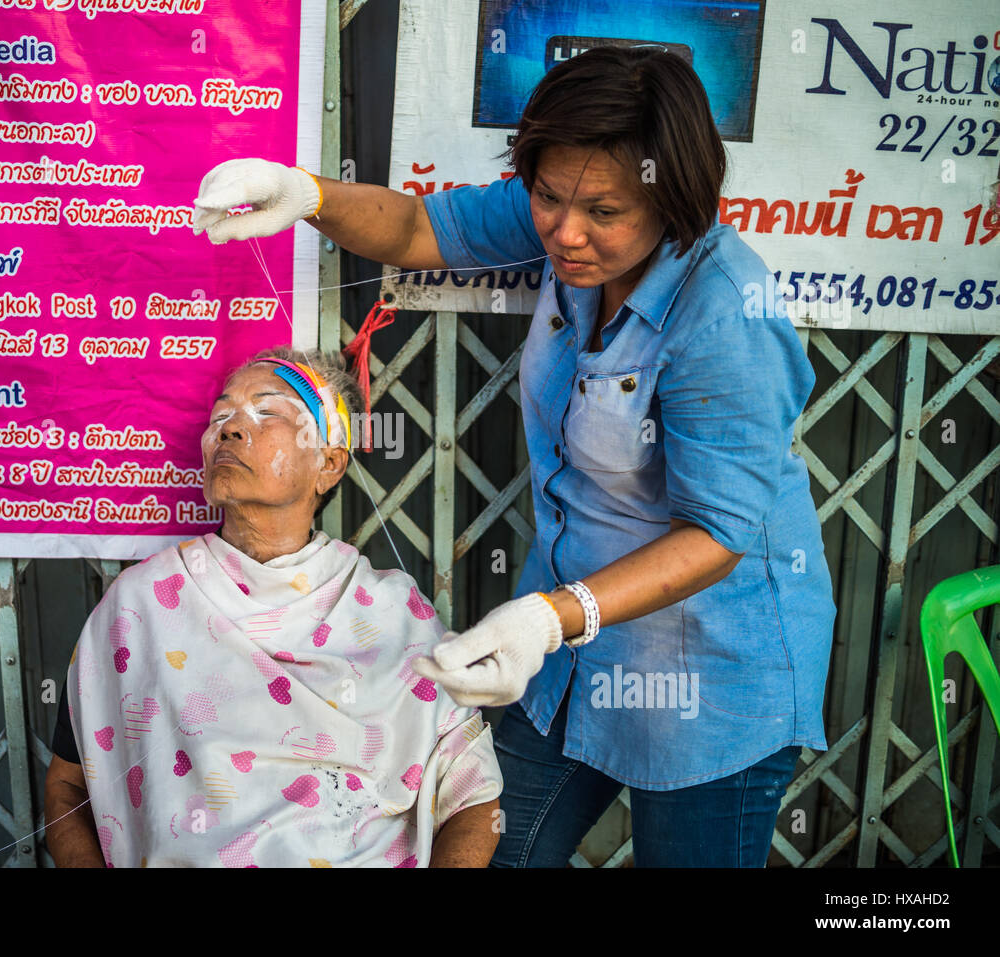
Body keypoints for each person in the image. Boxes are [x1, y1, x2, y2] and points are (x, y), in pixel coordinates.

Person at [191, 46, 836, 867]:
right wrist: (305, 194)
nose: (565, 233)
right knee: (496, 853)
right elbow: (419, 228)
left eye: (603, 211)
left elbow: (717, 532)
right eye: (548, 197)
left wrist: (546, 617)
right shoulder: (569, 229)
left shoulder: (722, 315)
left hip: (709, 669)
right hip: (569, 653)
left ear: (673, 199)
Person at [44, 348, 502, 867]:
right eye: (221, 416)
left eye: (268, 413)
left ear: (328, 464)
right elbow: (66, 788)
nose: (231, 430)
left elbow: (474, 793)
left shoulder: (393, 612)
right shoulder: (139, 606)